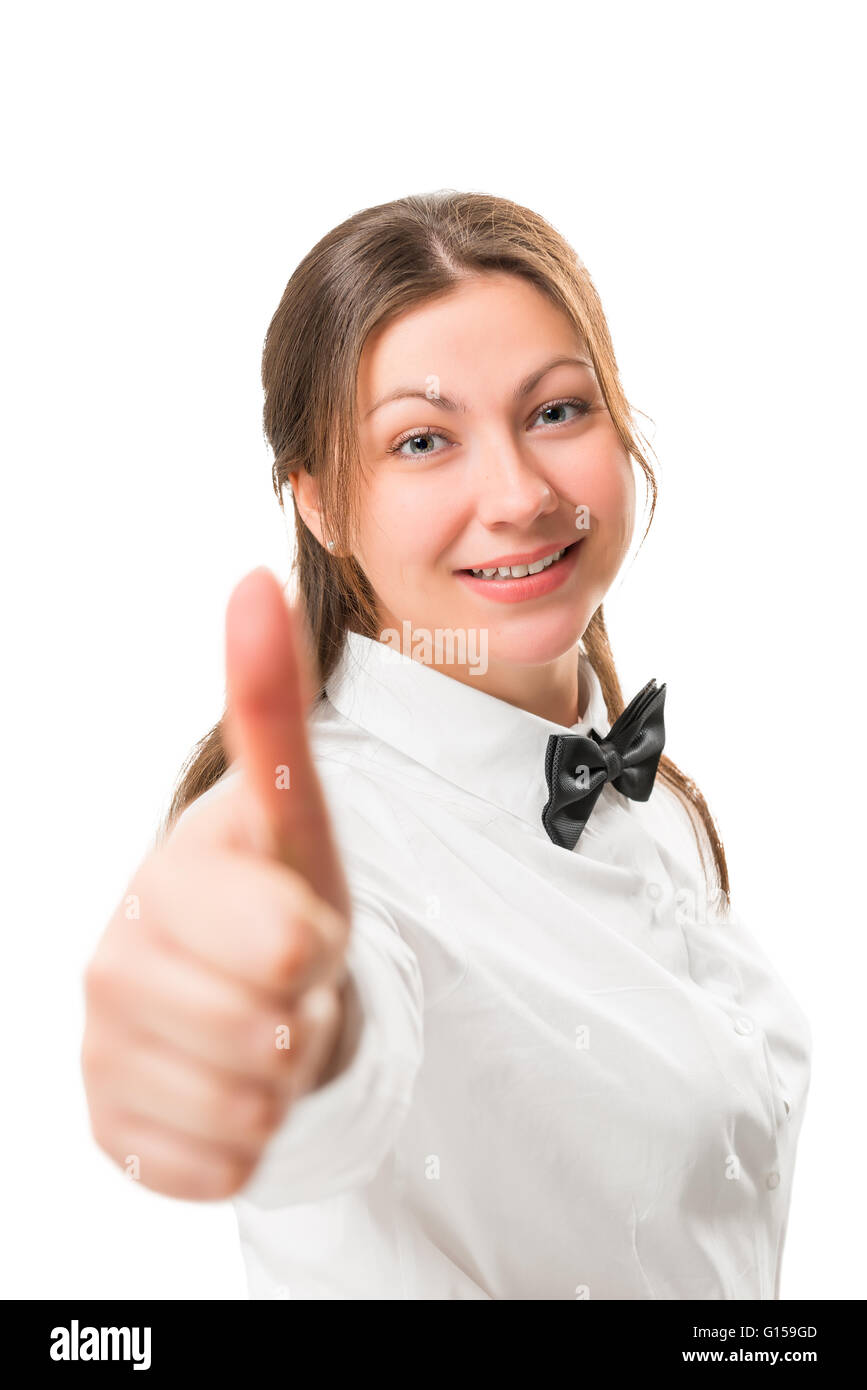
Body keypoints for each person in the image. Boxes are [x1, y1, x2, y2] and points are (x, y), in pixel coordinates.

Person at [80, 190, 812, 1300]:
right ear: (319, 506)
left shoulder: (648, 793)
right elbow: (323, 1051)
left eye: (558, 411)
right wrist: (282, 1038)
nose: (518, 494)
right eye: (423, 440)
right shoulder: (319, 837)